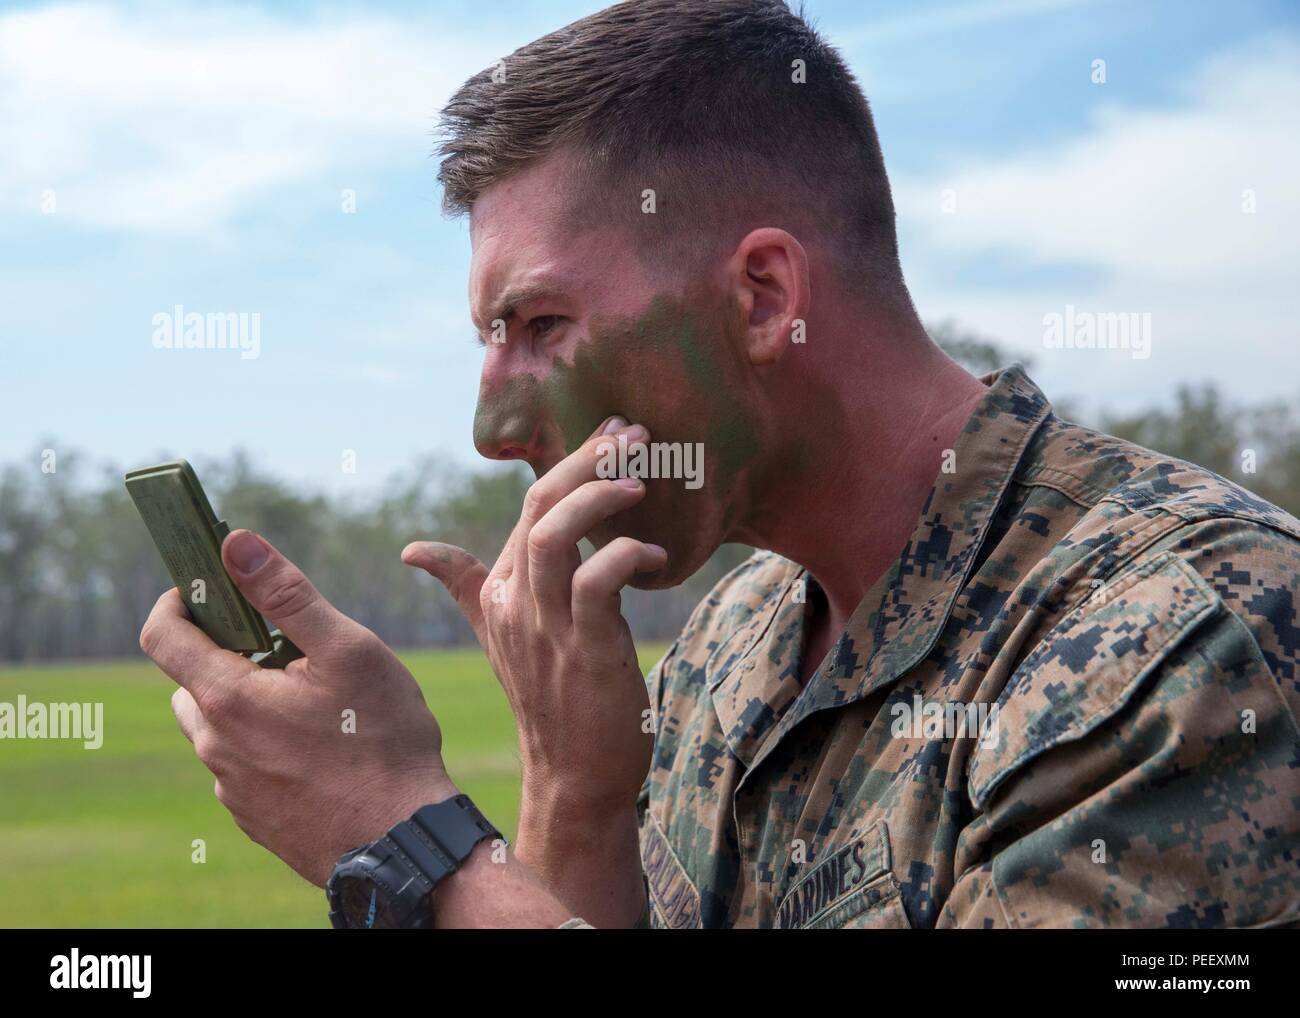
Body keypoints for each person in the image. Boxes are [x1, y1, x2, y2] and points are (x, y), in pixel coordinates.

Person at [139, 0, 1300, 928]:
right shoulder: (727, 650)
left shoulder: (1183, 637)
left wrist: (407, 842)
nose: (494, 430)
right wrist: (575, 795)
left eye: (540, 326)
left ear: (762, 298)